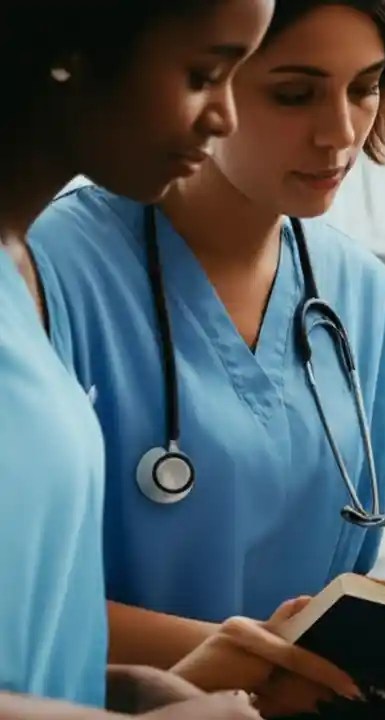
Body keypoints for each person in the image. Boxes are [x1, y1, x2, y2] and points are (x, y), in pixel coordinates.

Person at [24, 0, 385, 696]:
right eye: (294, 94)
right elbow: (27, 600)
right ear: (210, 77)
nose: (341, 133)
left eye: (365, 88)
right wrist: (249, 658)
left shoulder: (362, 294)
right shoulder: (52, 263)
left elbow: (351, 577)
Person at [0, 1, 281, 717]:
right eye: (204, 74)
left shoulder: (25, 271)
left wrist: (114, 690)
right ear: (76, 46)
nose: (225, 117)